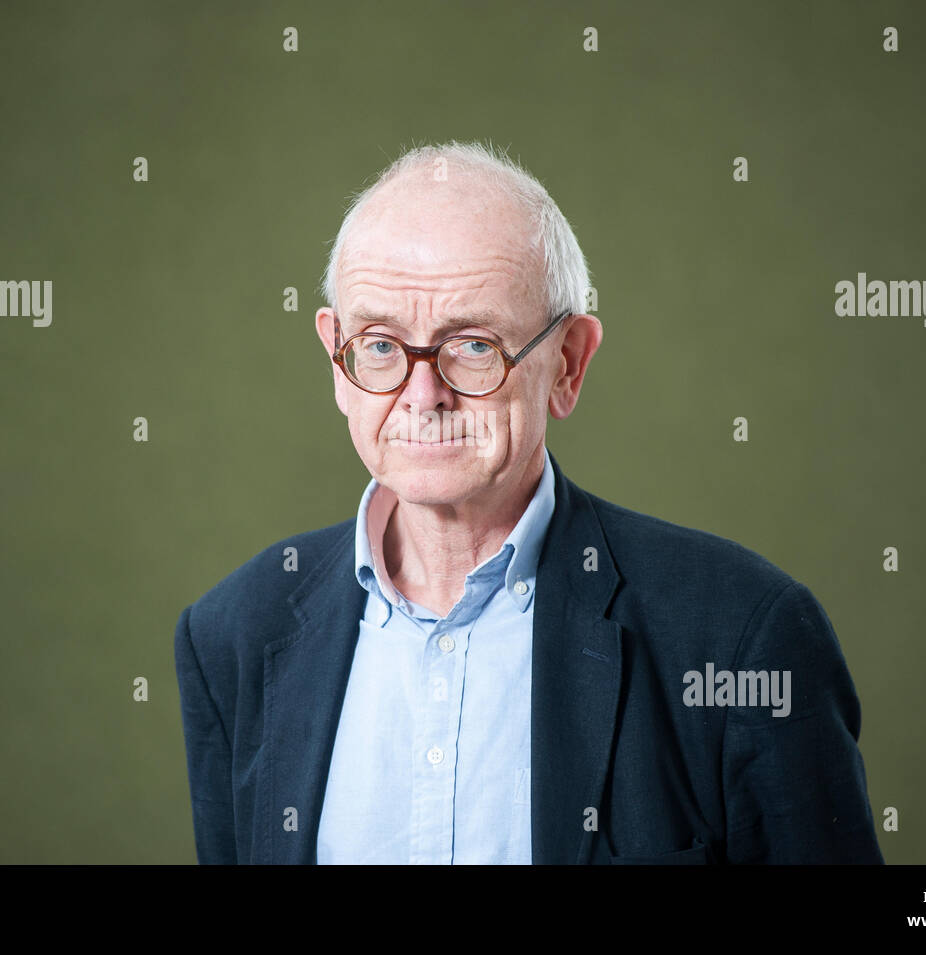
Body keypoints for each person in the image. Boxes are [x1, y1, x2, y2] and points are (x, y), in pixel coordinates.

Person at [174, 140, 883, 864]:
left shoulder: (741, 635)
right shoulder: (234, 634)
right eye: (381, 344)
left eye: (474, 345)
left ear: (569, 363)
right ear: (337, 357)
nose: (424, 396)